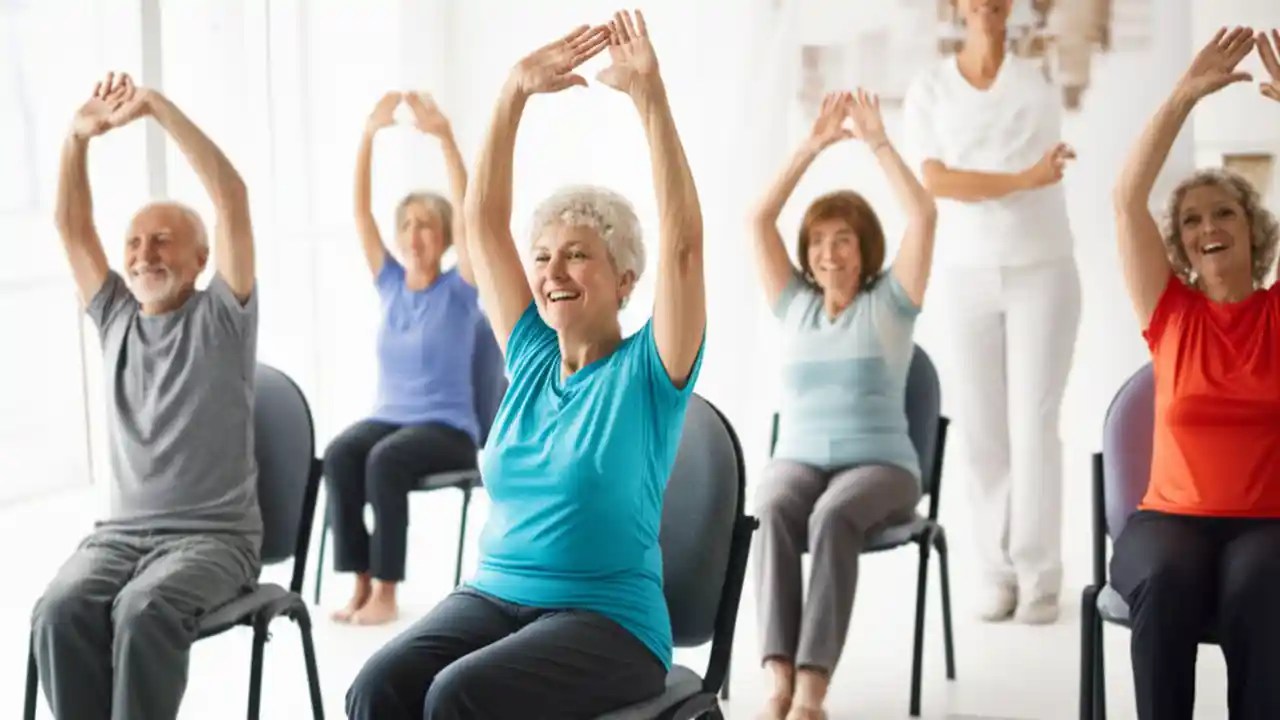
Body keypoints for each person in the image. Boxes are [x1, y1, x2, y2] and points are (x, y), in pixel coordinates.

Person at [345, 10, 706, 719]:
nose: (553, 271)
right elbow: (480, 224)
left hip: (611, 624)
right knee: (377, 686)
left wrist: (649, 97)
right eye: (543, 256)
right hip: (494, 595)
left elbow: (685, 246)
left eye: (578, 254)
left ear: (626, 278)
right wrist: (512, 92)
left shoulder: (649, 370)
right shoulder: (532, 353)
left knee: (459, 695)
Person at [30, 71, 261, 719]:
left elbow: (232, 195)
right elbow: (72, 227)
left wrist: (155, 106)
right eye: (133, 242)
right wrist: (78, 137)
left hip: (214, 540)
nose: (141, 254)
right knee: (58, 610)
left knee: (144, 609)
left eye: (162, 240)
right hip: (120, 538)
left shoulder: (223, 316)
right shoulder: (114, 317)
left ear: (198, 258)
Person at [749, 89, 938, 720]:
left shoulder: (891, 304)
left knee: (833, 515)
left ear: (864, 249)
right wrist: (810, 146)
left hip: (882, 466)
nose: (829, 252)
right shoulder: (793, 305)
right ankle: (776, 679)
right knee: (772, 503)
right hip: (798, 457)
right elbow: (757, 219)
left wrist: (879, 141)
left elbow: (925, 217)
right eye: (818, 240)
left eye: (844, 240)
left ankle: (811, 690)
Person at [1109, 26, 1280, 720]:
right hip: (1169, 520)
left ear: (1252, 228)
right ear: (1179, 244)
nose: (1208, 226)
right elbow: (1126, 198)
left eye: (1223, 213)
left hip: (1267, 524)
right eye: (1190, 220)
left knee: (1260, 583)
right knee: (1169, 576)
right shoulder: (1169, 312)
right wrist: (1182, 97)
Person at [902, 0, 1080, 623]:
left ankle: (1039, 575)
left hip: (1042, 265)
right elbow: (937, 180)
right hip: (965, 271)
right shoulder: (930, 86)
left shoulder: (1039, 77)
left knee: (1034, 422)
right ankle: (994, 572)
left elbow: (981, 170)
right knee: (982, 426)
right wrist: (1025, 177)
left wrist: (1011, 176)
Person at [322, 90, 483, 626]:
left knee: (385, 459)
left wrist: (444, 137)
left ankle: (388, 592)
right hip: (390, 418)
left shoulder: (460, 290)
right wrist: (368, 135)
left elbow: (470, 211)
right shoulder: (390, 284)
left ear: (443, 239)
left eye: (427, 226)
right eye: (407, 225)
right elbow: (359, 212)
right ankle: (361, 582)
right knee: (344, 452)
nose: (415, 235)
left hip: (448, 429)